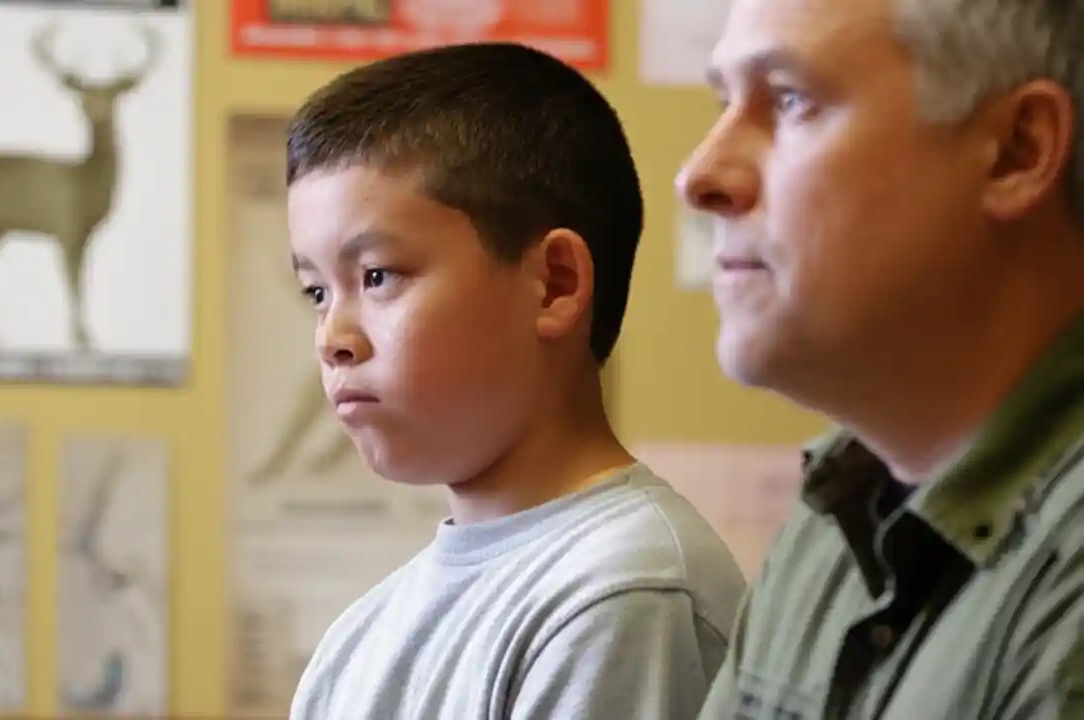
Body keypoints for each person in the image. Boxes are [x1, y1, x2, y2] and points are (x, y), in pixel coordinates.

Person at [285, 42, 745, 719]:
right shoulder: (357, 640)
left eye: (377, 277)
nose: (333, 338)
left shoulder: (625, 592)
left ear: (554, 285)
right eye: (316, 292)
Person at [677, 0, 1084, 717]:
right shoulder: (836, 512)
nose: (700, 176)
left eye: (791, 98)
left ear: (1019, 149)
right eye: (723, 100)